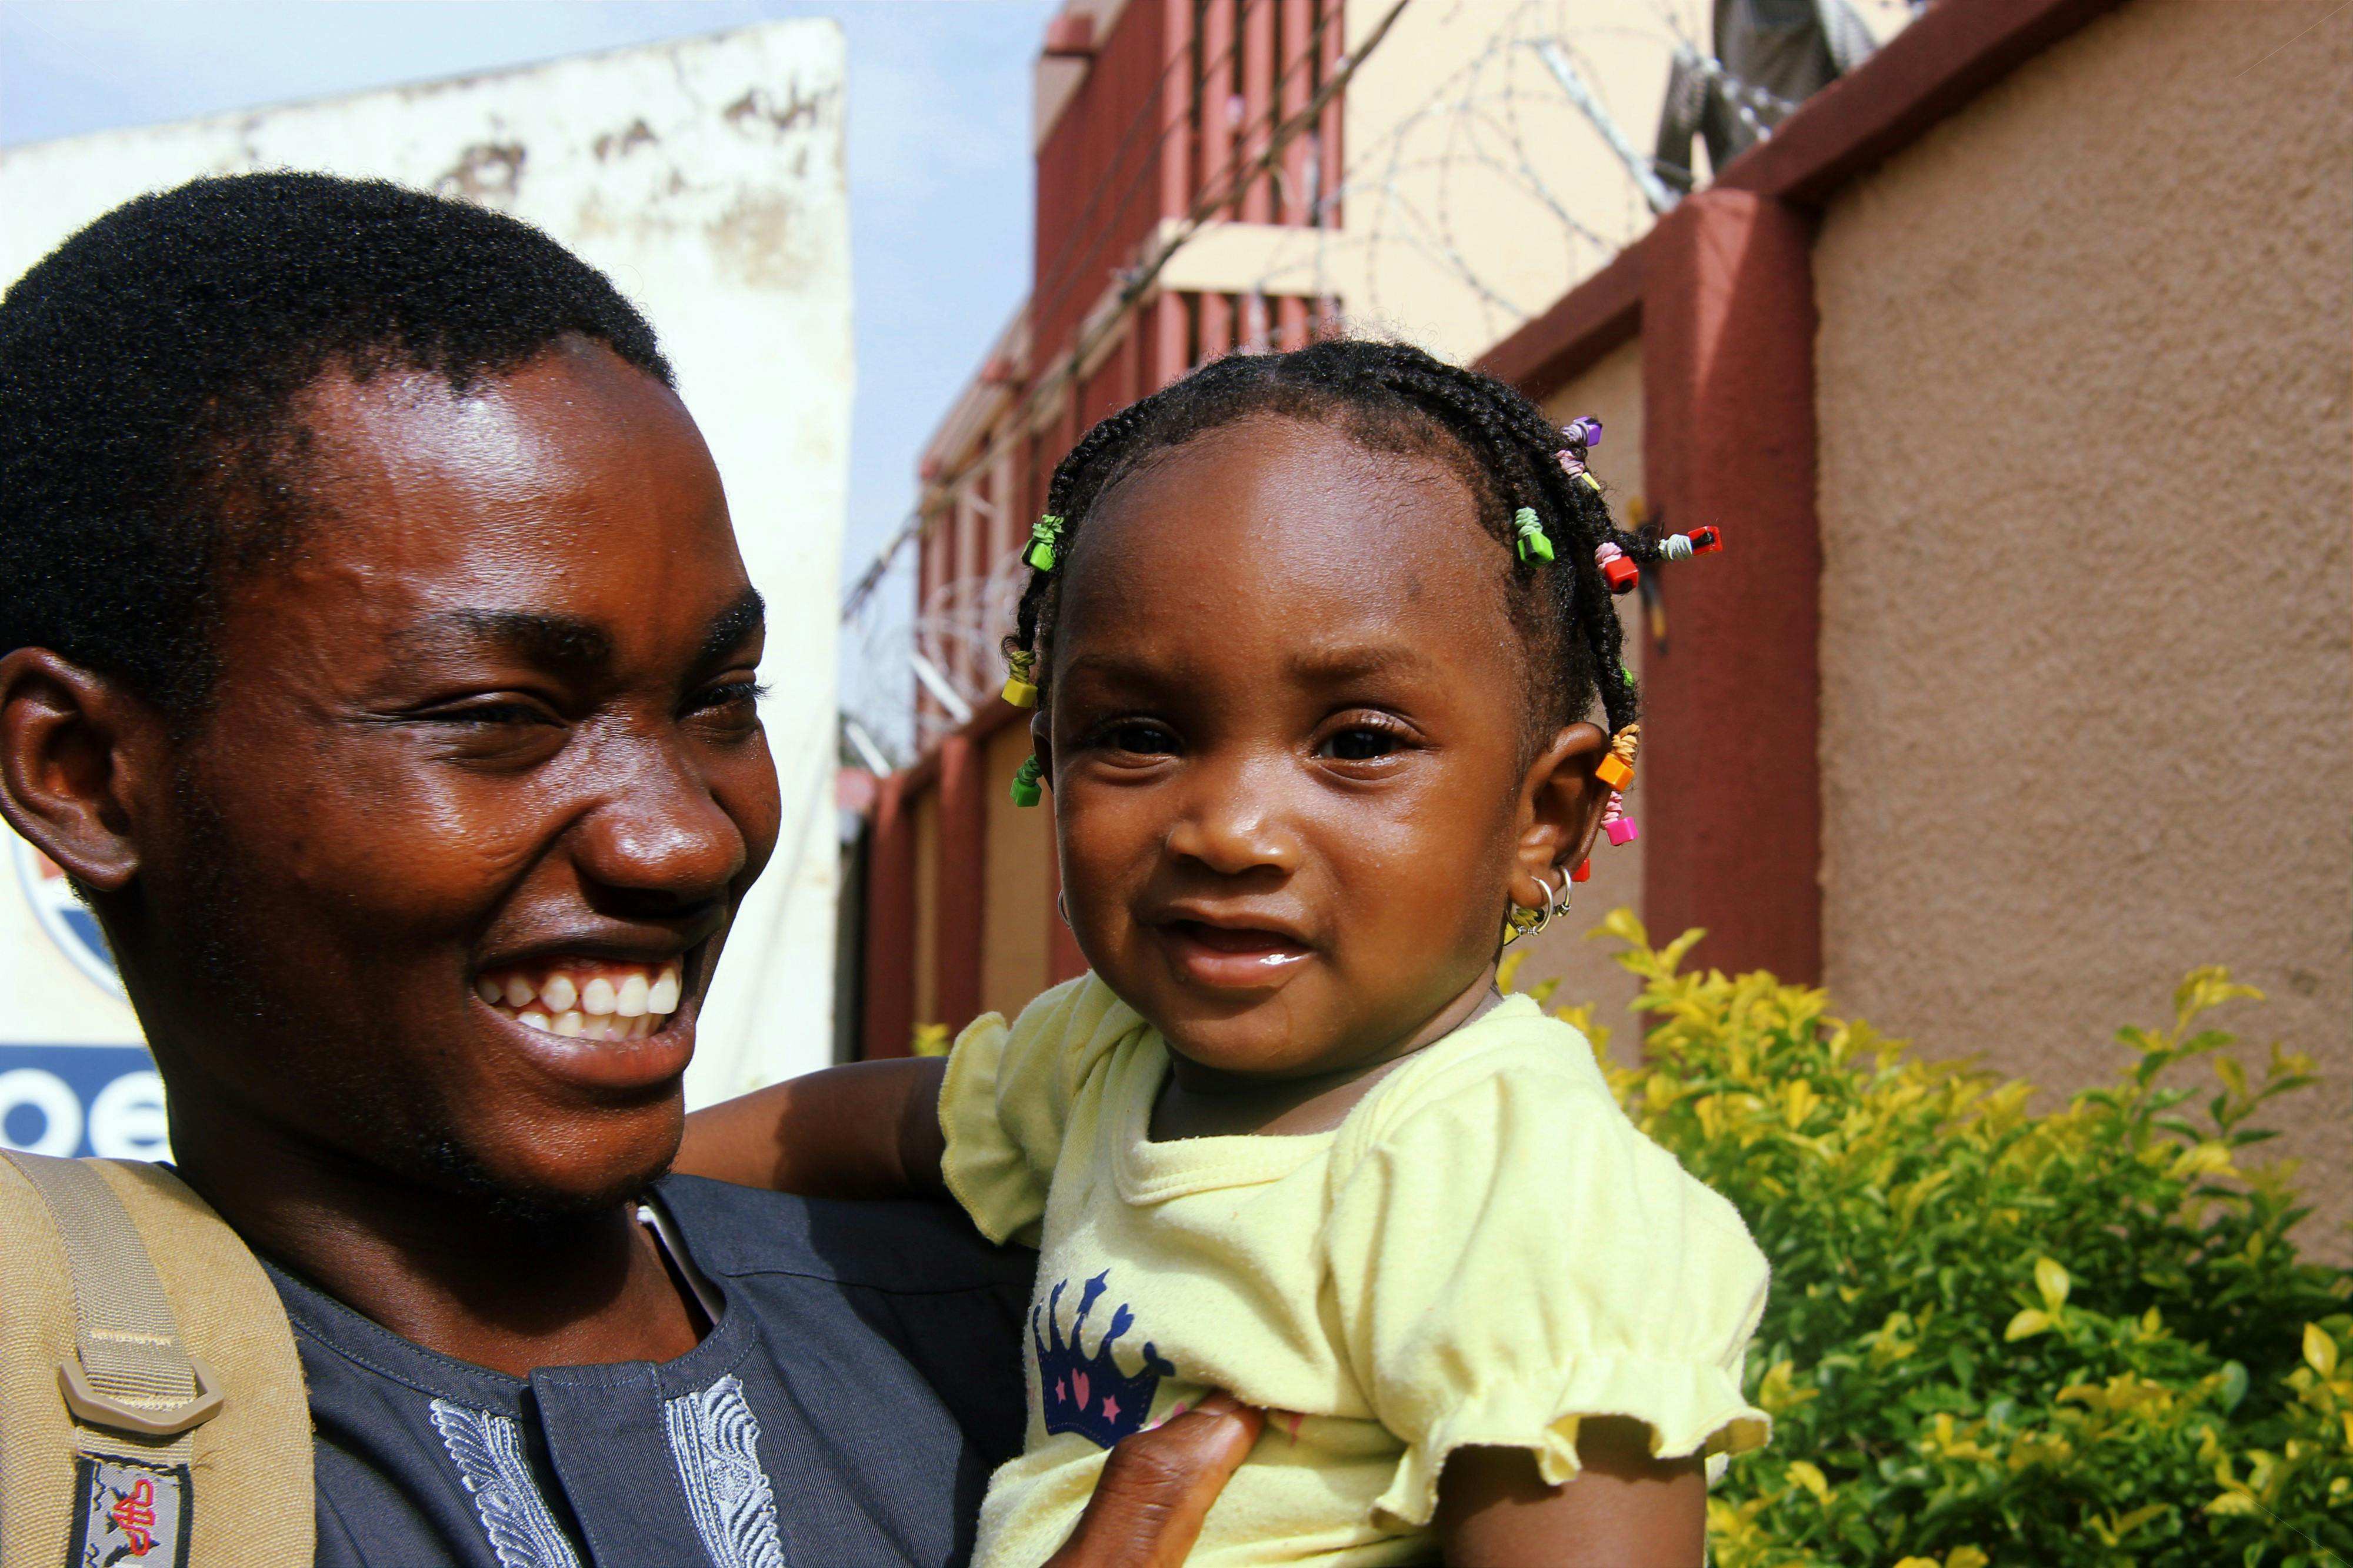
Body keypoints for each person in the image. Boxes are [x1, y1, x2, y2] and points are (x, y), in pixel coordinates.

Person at [0, 171, 1256, 1568]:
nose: (685, 838)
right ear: (83, 773)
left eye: (721, 700)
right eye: (500, 715)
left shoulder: (1060, 1343)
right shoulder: (56, 1457)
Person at [678, 341, 1774, 1567]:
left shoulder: (1521, 1196)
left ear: (1546, 816)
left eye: (1357, 741)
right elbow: (882, 1128)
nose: (1228, 829)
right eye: (1138, 734)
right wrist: (621, 1175)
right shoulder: (1103, 1059)